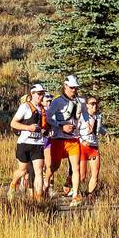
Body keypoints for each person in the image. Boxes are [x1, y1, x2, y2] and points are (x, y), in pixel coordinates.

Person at [46, 74, 84, 203]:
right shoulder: (57, 101)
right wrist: (60, 126)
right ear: (65, 86)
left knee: (76, 168)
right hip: (59, 139)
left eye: (75, 87)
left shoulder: (80, 101)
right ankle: (46, 185)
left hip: (74, 139)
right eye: (72, 87)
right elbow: (48, 117)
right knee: (54, 167)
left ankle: (75, 196)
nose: (74, 90)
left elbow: (85, 116)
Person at [8, 84, 50, 200]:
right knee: (23, 170)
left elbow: (48, 125)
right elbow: (13, 123)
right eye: (39, 93)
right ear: (32, 94)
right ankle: (13, 184)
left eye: (42, 94)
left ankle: (39, 198)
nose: (41, 96)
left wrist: (48, 130)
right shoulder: (25, 107)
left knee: (39, 171)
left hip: (38, 144)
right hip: (24, 143)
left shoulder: (44, 110)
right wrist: (28, 128)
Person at [77, 95, 104, 198]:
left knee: (95, 174)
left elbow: (99, 128)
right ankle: (76, 192)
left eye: (96, 103)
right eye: (92, 104)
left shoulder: (99, 116)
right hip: (83, 147)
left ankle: (90, 195)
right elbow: (75, 131)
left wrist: (105, 133)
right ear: (87, 105)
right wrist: (82, 141)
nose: (94, 106)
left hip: (94, 147)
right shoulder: (82, 116)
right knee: (82, 176)